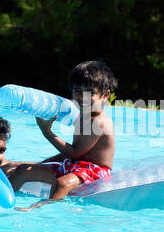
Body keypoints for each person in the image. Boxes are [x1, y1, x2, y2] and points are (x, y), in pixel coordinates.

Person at [21, 60, 117, 208]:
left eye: (90, 92)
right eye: (78, 91)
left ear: (105, 95)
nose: (83, 97)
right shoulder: (83, 116)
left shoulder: (98, 122)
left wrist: (47, 132)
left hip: (95, 172)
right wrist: (39, 164)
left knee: (62, 184)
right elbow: (71, 155)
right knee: (23, 170)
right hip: (75, 165)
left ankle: (40, 209)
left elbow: (74, 153)